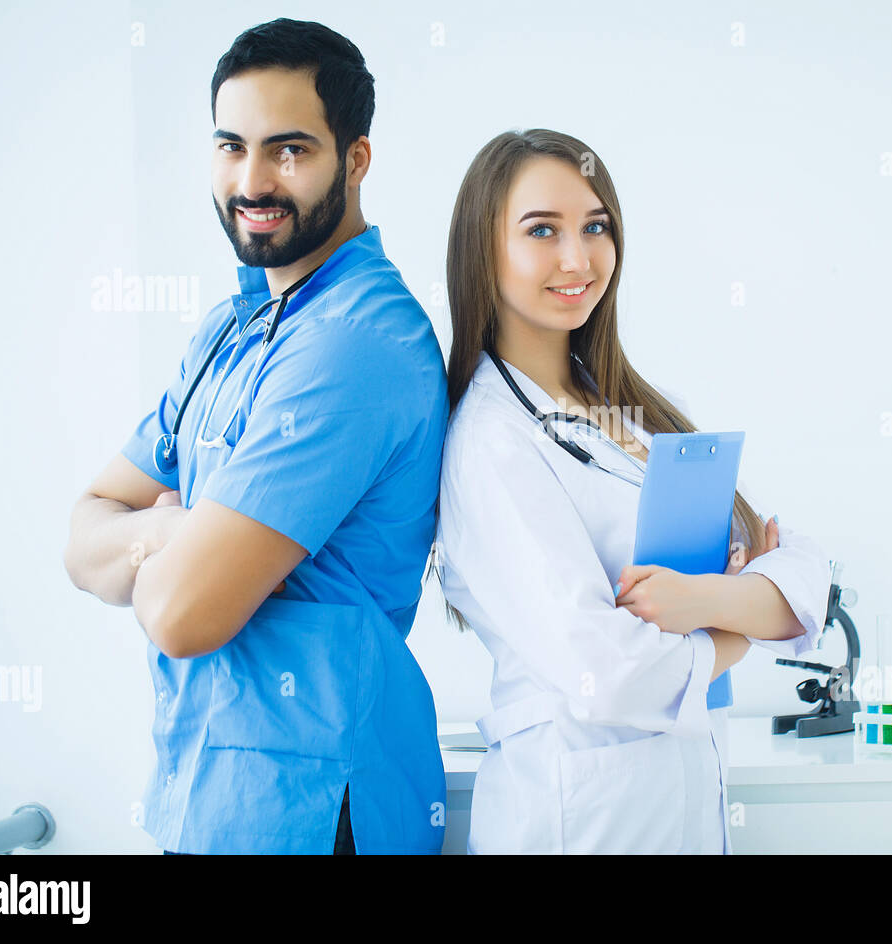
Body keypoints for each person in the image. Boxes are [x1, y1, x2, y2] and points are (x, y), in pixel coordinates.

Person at [62, 19, 448, 854]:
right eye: (231, 146)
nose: (252, 179)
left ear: (356, 160)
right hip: (203, 799)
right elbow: (81, 535)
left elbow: (179, 612)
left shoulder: (355, 343)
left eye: (290, 150)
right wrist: (172, 529)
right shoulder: (231, 327)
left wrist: (162, 546)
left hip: (316, 813)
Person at [434, 128, 833, 853]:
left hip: (678, 813)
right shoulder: (490, 442)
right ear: (482, 254)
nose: (577, 258)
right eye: (541, 231)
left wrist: (701, 602)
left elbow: (803, 565)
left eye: (595, 227)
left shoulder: (637, 413)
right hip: (577, 824)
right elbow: (609, 674)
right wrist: (739, 627)